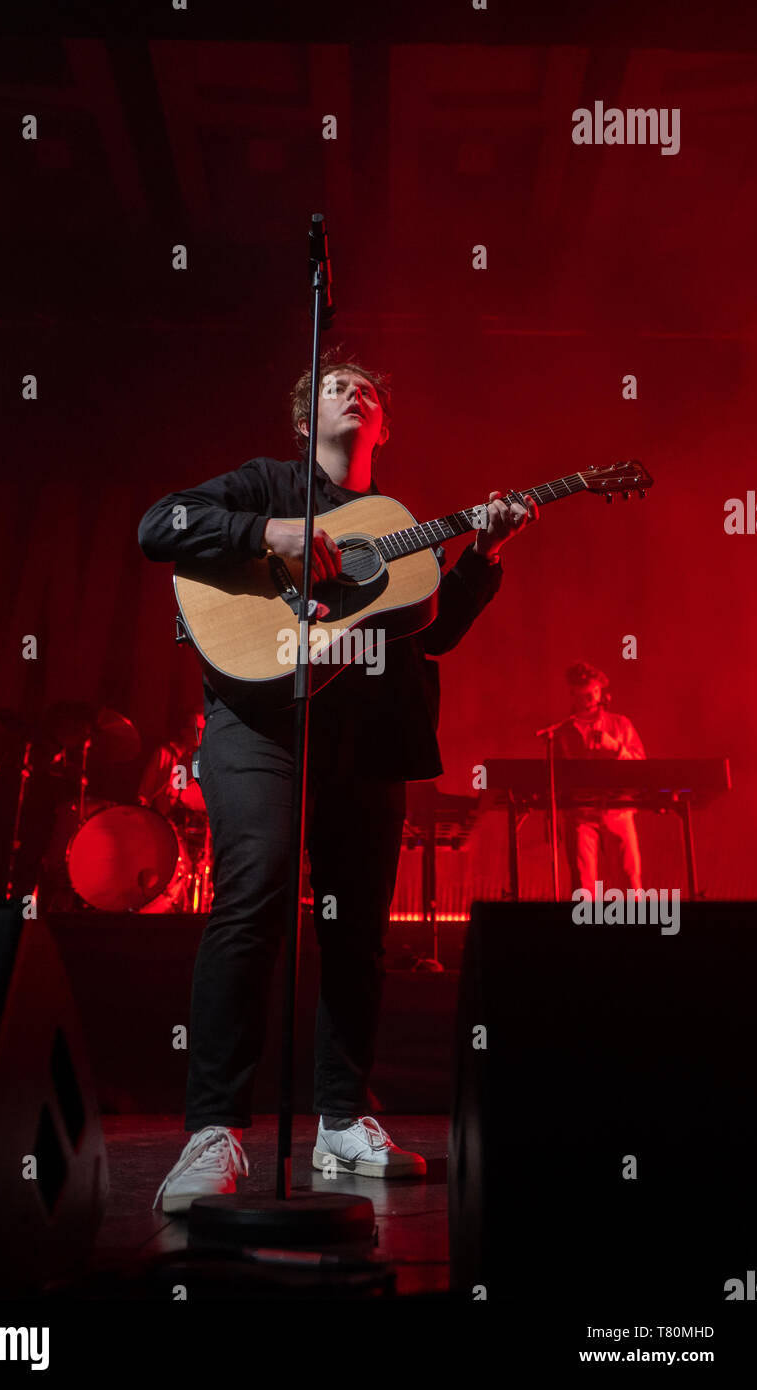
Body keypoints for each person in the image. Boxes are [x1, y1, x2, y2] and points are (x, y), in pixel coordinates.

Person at [138, 348, 538, 1211]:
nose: (353, 392)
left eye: (367, 392)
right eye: (332, 385)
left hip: (371, 742)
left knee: (359, 934)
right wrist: (266, 532)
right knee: (256, 891)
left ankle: (343, 1120)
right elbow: (157, 525)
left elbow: (431, 635)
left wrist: (486, 557)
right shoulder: (265, 485)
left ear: (384, 426)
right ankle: (215, 1130)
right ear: (301, 421)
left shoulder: (400, 522)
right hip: (261, 724)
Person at [555, 661, 646, 896]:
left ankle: (637, 928)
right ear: (573, 692)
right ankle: (587, 929)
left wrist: (616, 748)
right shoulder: (563, 731)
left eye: (594, 691)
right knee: (583, 886)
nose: (589, 696)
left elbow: (642, 766)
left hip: (619, 810)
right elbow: (554, 775)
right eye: (583, 691)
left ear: (601, 692)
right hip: (580, 814)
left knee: (630, 881)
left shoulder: (620, 724)